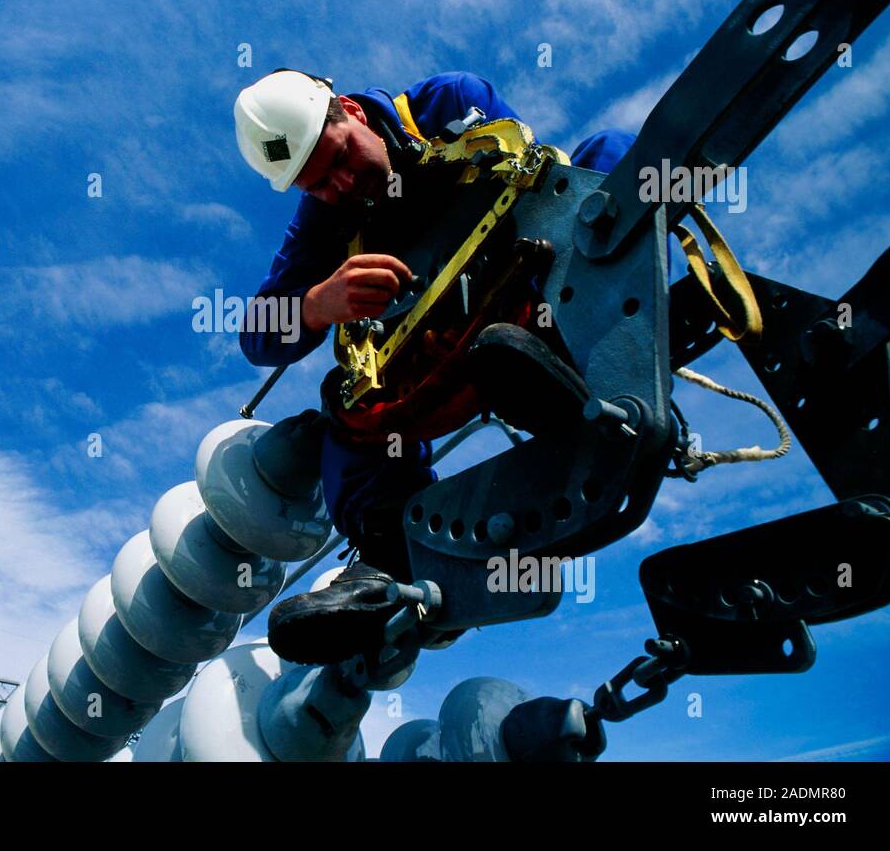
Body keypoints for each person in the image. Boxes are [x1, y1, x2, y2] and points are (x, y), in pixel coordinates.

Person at [234, 69, 636, 664]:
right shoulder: (322, 220)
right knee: (344, 420)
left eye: (342, 157)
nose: (343, 184)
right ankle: (406, 561)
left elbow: (532, 184)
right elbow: (258, 337)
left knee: (613, 159)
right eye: (317, 185)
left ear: (351, 111)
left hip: (525, 309)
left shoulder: (448, 102)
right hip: (442, 360)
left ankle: (601, 352)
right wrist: (319, 305)